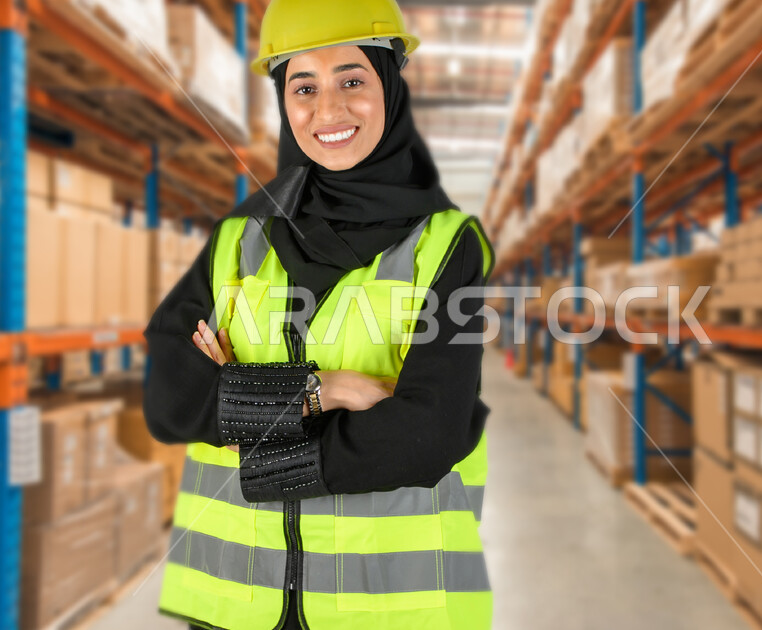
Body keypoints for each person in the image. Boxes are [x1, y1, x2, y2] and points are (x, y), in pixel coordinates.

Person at [142, 1, 496, 628]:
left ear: (388, 83)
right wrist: (320, 390)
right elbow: (170, 400)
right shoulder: (239, 237)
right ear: (283, 97)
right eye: (303, 86)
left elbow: (426, 434)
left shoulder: (447, 245)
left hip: (390, 607)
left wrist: (254, 440)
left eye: (351, 80)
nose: (327, 111)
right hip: (233, 606)